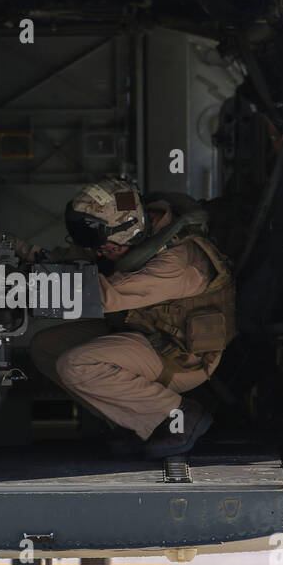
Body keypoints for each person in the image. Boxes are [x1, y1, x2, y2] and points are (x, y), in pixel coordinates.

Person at [25, 177, 236, 458]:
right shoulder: (135, 231)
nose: (99, 252)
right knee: (46, 346)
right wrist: (26, 255)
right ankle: (131, 423)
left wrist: (21, 292)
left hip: (179, 355)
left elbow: (105, 296)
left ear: (129, 231)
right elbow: (82, 257)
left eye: (102, 246)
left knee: (75, 365)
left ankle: (180, 416)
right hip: (144, 331)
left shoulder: (178, 261)